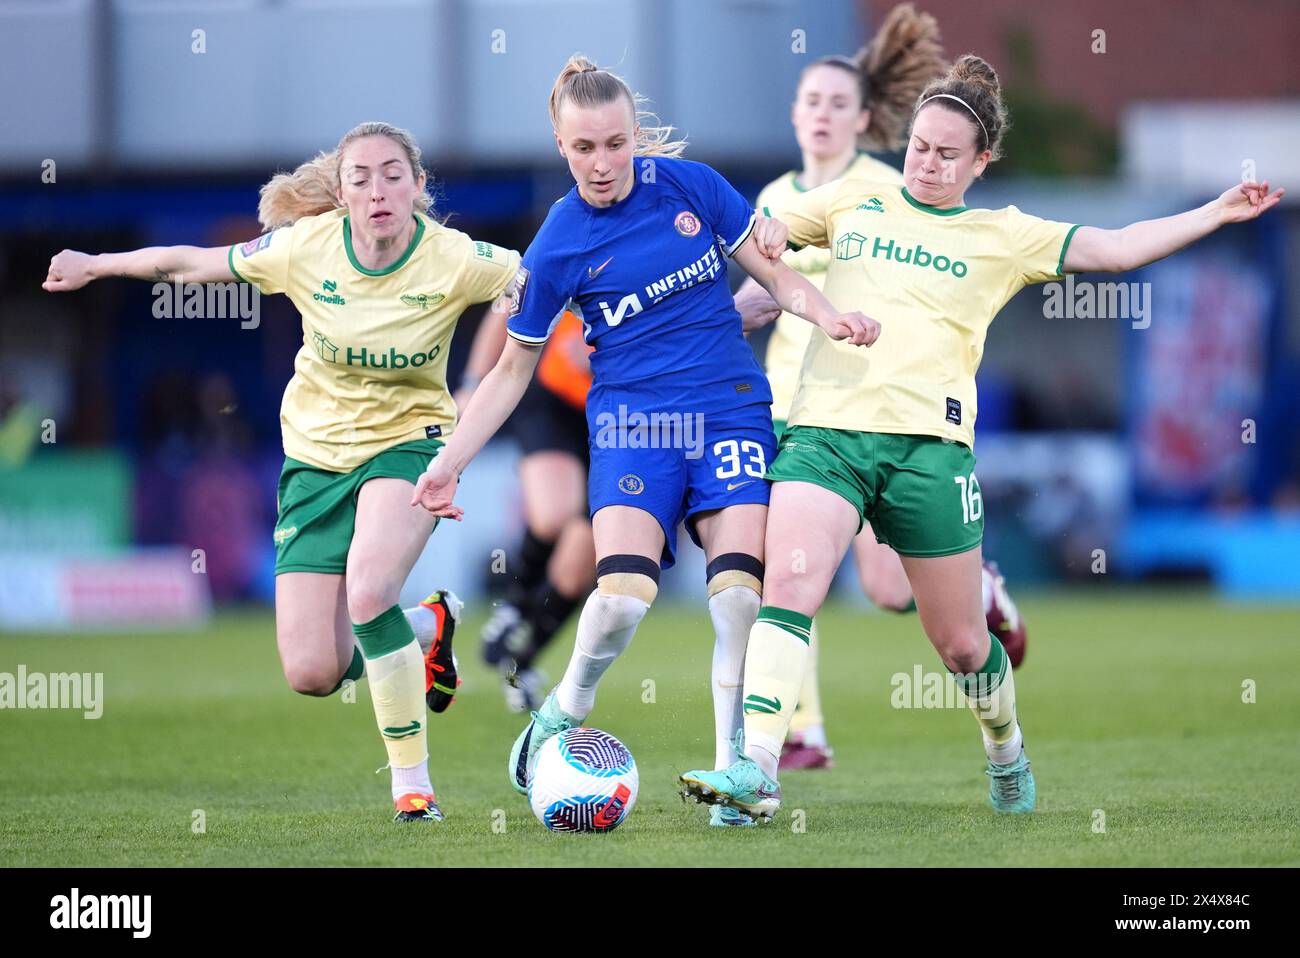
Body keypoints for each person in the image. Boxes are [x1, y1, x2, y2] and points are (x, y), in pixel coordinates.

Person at [679, 55, 1284, 820]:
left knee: (962, 646)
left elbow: (1117, 247)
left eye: (946, 154)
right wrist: (755, 245)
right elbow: (756, 240)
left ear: (981, 162)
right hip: (826, 435)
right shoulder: (853, 201)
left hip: (932, 455)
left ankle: (1006, 751)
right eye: (919, 147)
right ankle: (756, 767)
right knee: (789, 587)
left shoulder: (1005, 235)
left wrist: (1214, 211)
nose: (926, 163)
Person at [410, 55, 877, 827]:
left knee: (737, 601)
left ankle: (737, 777)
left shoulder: (691, 187)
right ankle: (564, 708)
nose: (602, 163)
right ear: (561, 146)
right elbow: (507, 373)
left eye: (615, 144)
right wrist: (448, 463)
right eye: (584, 148)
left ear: (635, 137)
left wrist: (825, 315)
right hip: (632, 426)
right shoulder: (558, 242)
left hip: (729, 411)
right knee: (624, 601)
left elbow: (775, 275)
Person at [43, 121, 524, 823]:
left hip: (411, 446)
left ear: (419, 188)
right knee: (312, 671)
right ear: (340, 193)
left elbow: (544, 275)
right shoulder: (304, 248)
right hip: (315, 459)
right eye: (360, 178)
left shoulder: (455, 258)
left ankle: (412, 788)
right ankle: (428, 626)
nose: (378, 189)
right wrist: (99, 263)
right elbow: (192, 264)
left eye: (393, 174)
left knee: (366, 593)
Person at [736, 4, 1025, 774]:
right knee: (788, 569)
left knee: (891, 591)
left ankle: (980, 592)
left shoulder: (882, 190)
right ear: (795, 113)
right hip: (803, 411)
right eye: (812, 101)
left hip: (891, 414)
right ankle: (799, 735)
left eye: (839, 103)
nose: (823, 115)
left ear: (866, 118)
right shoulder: (773, 197)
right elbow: (765, 289)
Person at [460, 307, 596, 711]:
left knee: (583, 563)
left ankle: (522, 661)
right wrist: (472, 382)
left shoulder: (684, 252)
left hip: (623, 416)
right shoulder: (568, 243)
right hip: (554, 398)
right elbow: (506, 305)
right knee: (553, 514)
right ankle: (513, 610)